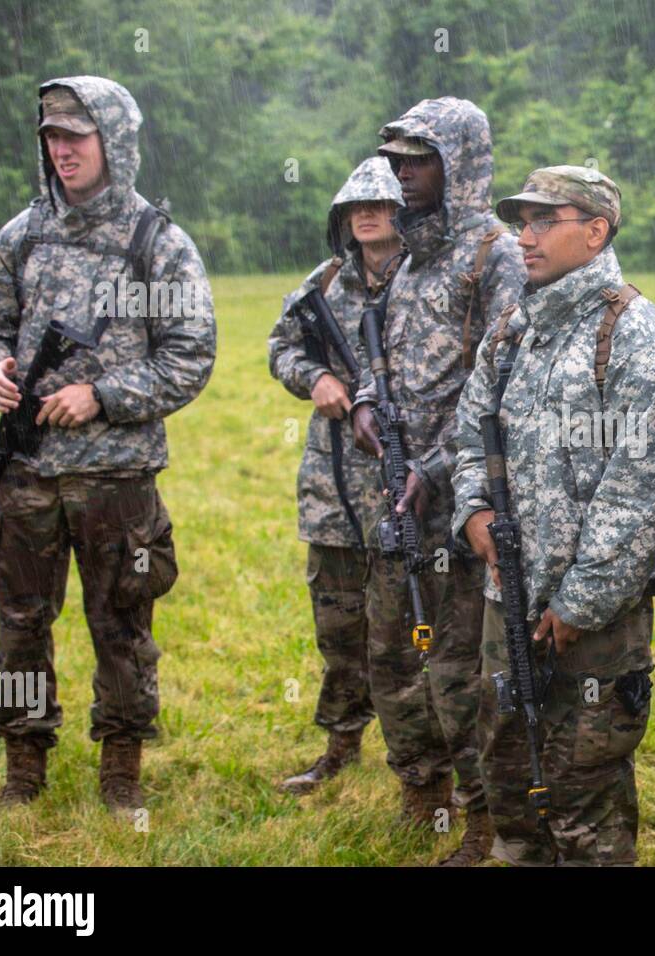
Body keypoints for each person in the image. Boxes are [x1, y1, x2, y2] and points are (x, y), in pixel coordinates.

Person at [0, 76, 216, 813]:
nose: (62, 150)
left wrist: (101, 396)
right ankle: (22, 769)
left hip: (116, 478)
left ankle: (121, 773)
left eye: (76, 136)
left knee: (123, 625)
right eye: (52, 139)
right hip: (26, 472)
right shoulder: (23, 234)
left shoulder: (155, 243)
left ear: (114, 142)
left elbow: (191, 355)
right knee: (20, 625)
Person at [452, 165, 655, 865]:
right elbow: (471, 434)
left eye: (541, 221)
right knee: (508, 769)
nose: (522, 237)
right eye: (520, 222)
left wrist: (579, 603)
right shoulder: (514, 329)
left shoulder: (640, 336)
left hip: (593, 621)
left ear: (595, 231)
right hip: (507, 598)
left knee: (584, 787)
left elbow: (644, 490)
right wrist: (473, 515)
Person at [349, 97, 525, 865]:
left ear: (461, 164)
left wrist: (436, 469)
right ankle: (421, 799)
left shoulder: (497, 256)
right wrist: (361, 399)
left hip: (463, 504)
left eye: (418, 160)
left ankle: (485, 819)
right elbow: (381, 354)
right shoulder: (410, 258)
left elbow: (506, 387)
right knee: (390, 656)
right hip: (395, 498)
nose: (401, 174)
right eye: (394, 160)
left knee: (459, 671)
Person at [268, 156, 403, 794]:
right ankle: (341, 745)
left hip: (410, 485)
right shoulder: (324, 283)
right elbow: (282, 346)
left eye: (380, 204)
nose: (368, 215)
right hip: (334, 488)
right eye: (356, 207)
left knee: (406, 629)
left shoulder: (429, 281)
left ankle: (422, 760)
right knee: (340, 625)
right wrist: (316, 377)